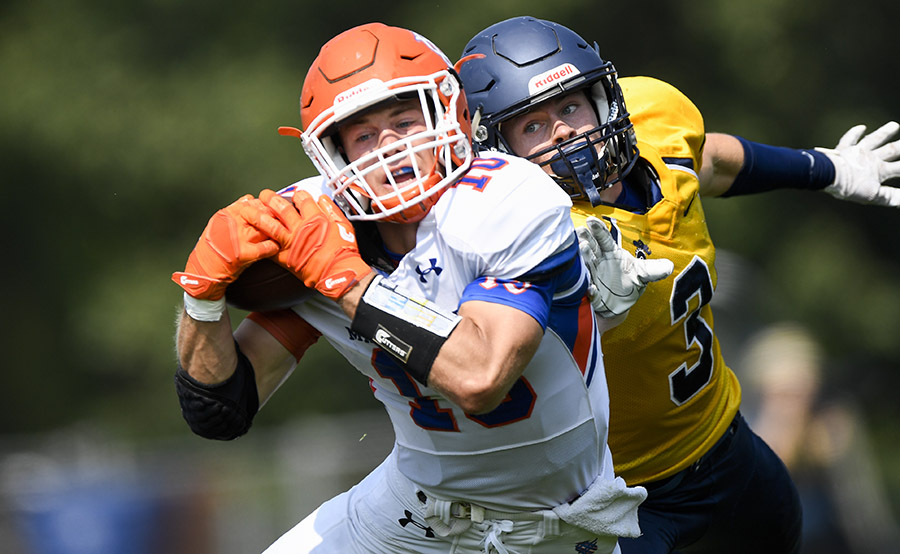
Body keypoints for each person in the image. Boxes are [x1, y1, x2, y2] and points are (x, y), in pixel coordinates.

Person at [171, 22, 670, 554]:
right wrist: (201, 298)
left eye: (404, 121)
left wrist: (346, 280)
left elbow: (481, 377)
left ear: (447, 112)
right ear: (332, 155)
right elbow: (221, 410)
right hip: (412, 511)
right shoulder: (318, 227)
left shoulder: (511, 198)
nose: (390, 147)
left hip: (547, 529)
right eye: (363, 135)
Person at [457, 16, 900, 554]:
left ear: (604, 98)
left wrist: (823, 167)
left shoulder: (655, 118)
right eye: (533, 126)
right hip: (621, 498)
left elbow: (706, 159)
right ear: (495, 151)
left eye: (570, 107)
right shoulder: (512, 238)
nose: (565, 132)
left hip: (725, 444)